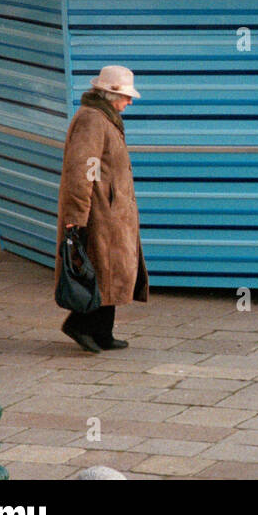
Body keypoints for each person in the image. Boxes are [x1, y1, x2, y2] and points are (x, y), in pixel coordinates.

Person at [56, 65, 149, 352]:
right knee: (101, 272)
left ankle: (102, 333)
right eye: (126, 97)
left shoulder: (104, 116)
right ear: (109, 94)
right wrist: (76, 215)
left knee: (111, 273)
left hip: (110, 212)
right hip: (98, 214)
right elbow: (82, 169)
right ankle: (79, 324)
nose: (130, 102)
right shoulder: (93, 121)